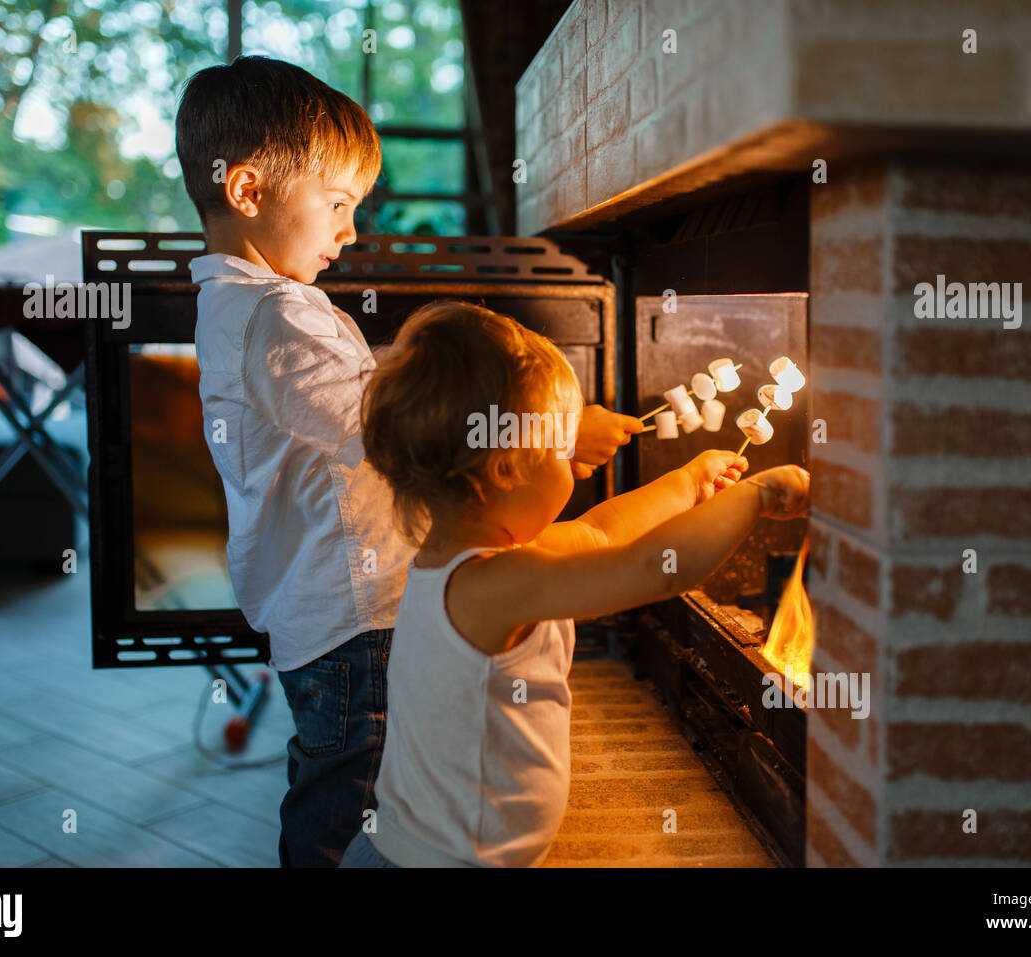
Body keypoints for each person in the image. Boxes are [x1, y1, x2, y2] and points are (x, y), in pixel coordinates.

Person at [174, 56, 642, 867]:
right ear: (248, 191)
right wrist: (547, 437)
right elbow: (387, 423)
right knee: (354, 796)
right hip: (355, 619)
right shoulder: (275, 316)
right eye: (338, 204)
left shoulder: (246, 308)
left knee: (333, 777)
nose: (350, 230)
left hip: (325, 616)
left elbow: (362, 392)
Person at [341, 300, 811, 867]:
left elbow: (598, 532)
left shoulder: (471, 558)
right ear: (506, 469)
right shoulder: (493, 585)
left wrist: (688, 484)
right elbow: (654, 568)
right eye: (564, 452)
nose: (576, 466)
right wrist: (754, 498)